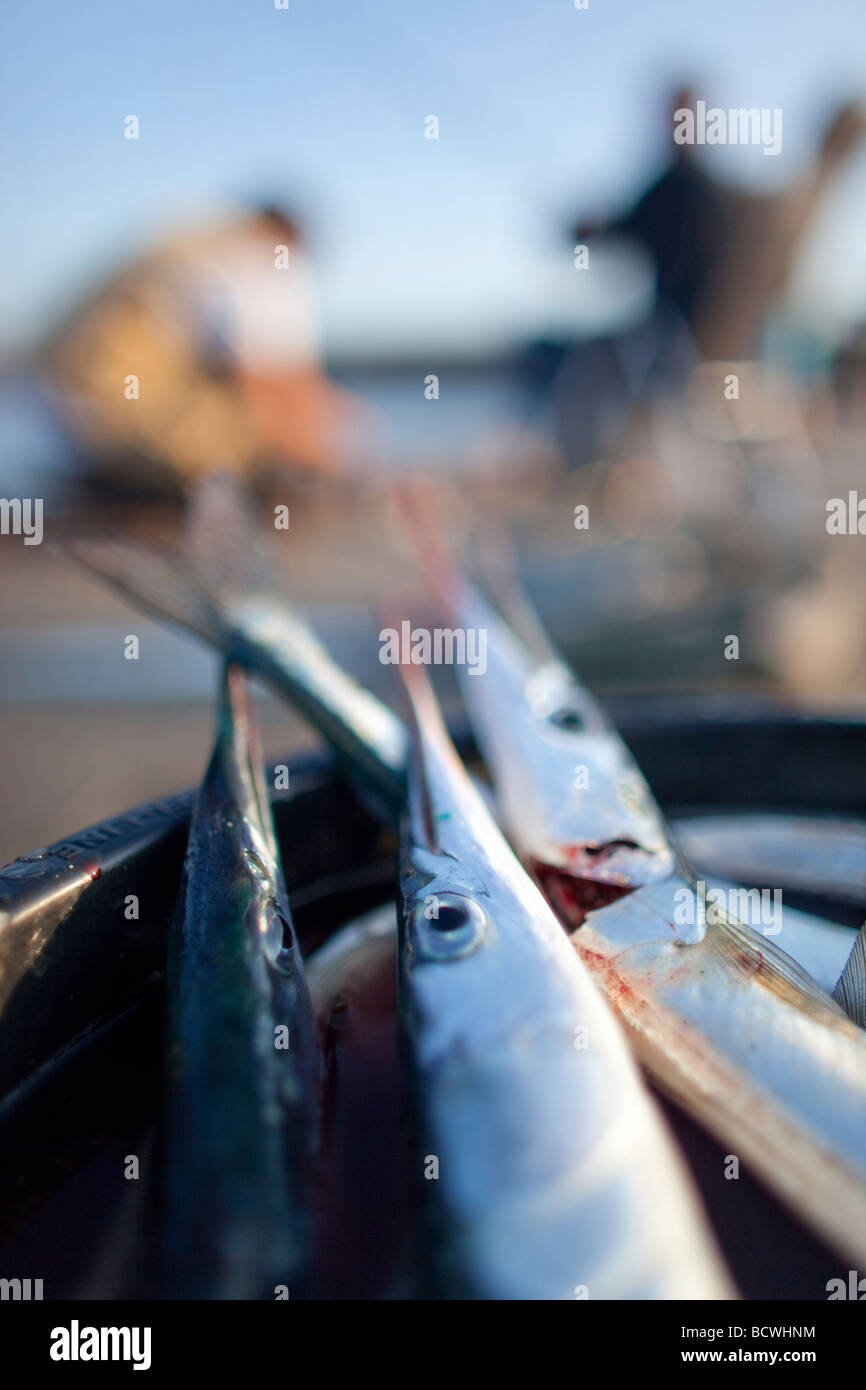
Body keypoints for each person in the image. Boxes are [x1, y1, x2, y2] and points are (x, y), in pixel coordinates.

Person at [43, 203, 371, 498]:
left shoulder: (195, 235)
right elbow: (268, 379)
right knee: (304, 428)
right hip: (125, 412)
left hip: (71, 412)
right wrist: (330, 454)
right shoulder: (262, 258)